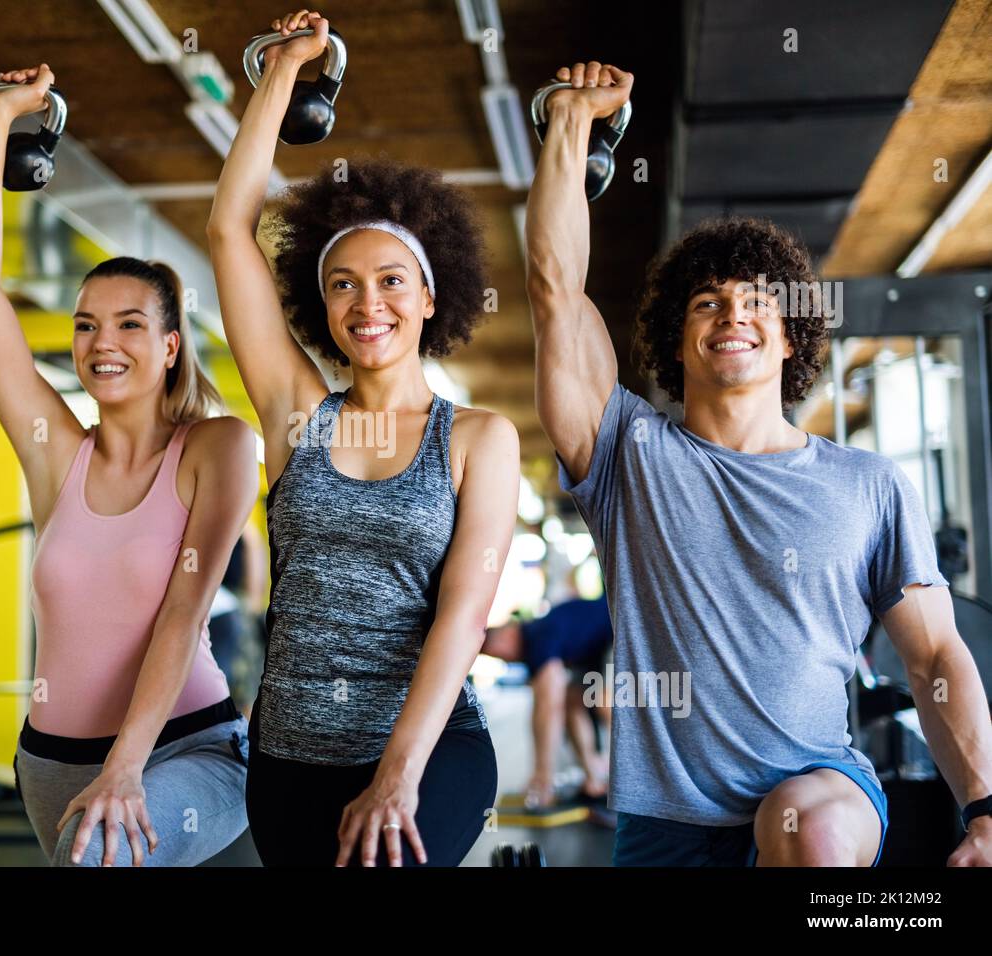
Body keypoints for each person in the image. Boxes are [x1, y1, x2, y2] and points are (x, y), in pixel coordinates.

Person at [527, 59, 992, 866]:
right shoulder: (628, 455)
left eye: (756, 300)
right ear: (678, 337)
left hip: (820, 791)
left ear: (790, 337)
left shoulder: (868, 484)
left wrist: (985, 810)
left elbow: (935, 656)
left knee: (801, 827)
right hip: (665, 823)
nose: (733, 312)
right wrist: (571, 122)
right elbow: (555, 292)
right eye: (707, 302)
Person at [206, 10, 519, 867]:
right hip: (288, 752)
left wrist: (397, 773)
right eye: (342, 284)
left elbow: (463, 618)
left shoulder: (477, 439)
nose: (365, 302)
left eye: (390, 280)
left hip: (428, 751)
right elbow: (230, 231)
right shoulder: (297, 414)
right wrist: (282, 73)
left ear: (428, 295)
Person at [0, 65, 259, 867]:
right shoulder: (56, 454)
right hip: (49, 762)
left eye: (128, 324)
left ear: (167, 347)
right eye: (87, 326)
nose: (102, 343)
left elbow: (185, 612)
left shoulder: (218, 446)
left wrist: (126, 767)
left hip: (183, 751)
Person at [482, 583, 613, 808]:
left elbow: (547, 707)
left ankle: (636, 779)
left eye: (500, 652)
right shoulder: (542, 636)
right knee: (574, 701)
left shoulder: (537, 637)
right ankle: (594, 777)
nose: (506, 658)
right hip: (598, 645)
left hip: (620, 629)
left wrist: (542, 776)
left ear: (508, 634)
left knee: (605, 702)